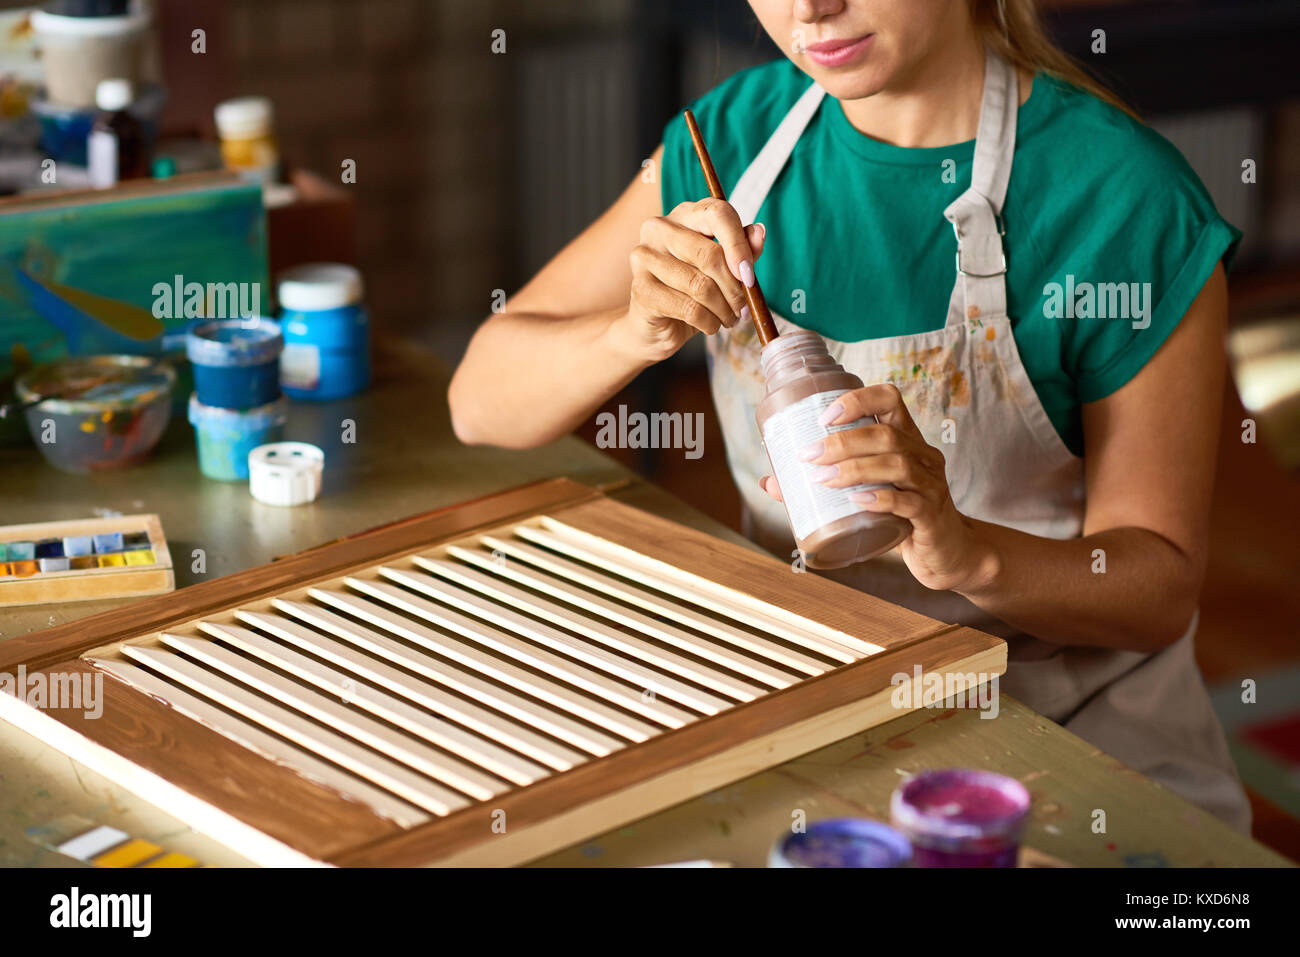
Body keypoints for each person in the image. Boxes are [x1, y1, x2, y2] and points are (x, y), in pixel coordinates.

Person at [449, 0, 1250, 831]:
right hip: (810, 708)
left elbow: (1157, 589)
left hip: (1069, 729)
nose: (811, 8)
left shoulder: (1121, 199)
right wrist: (631, 333)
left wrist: (969, 555)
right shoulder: (725, 146)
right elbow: (478, 402)